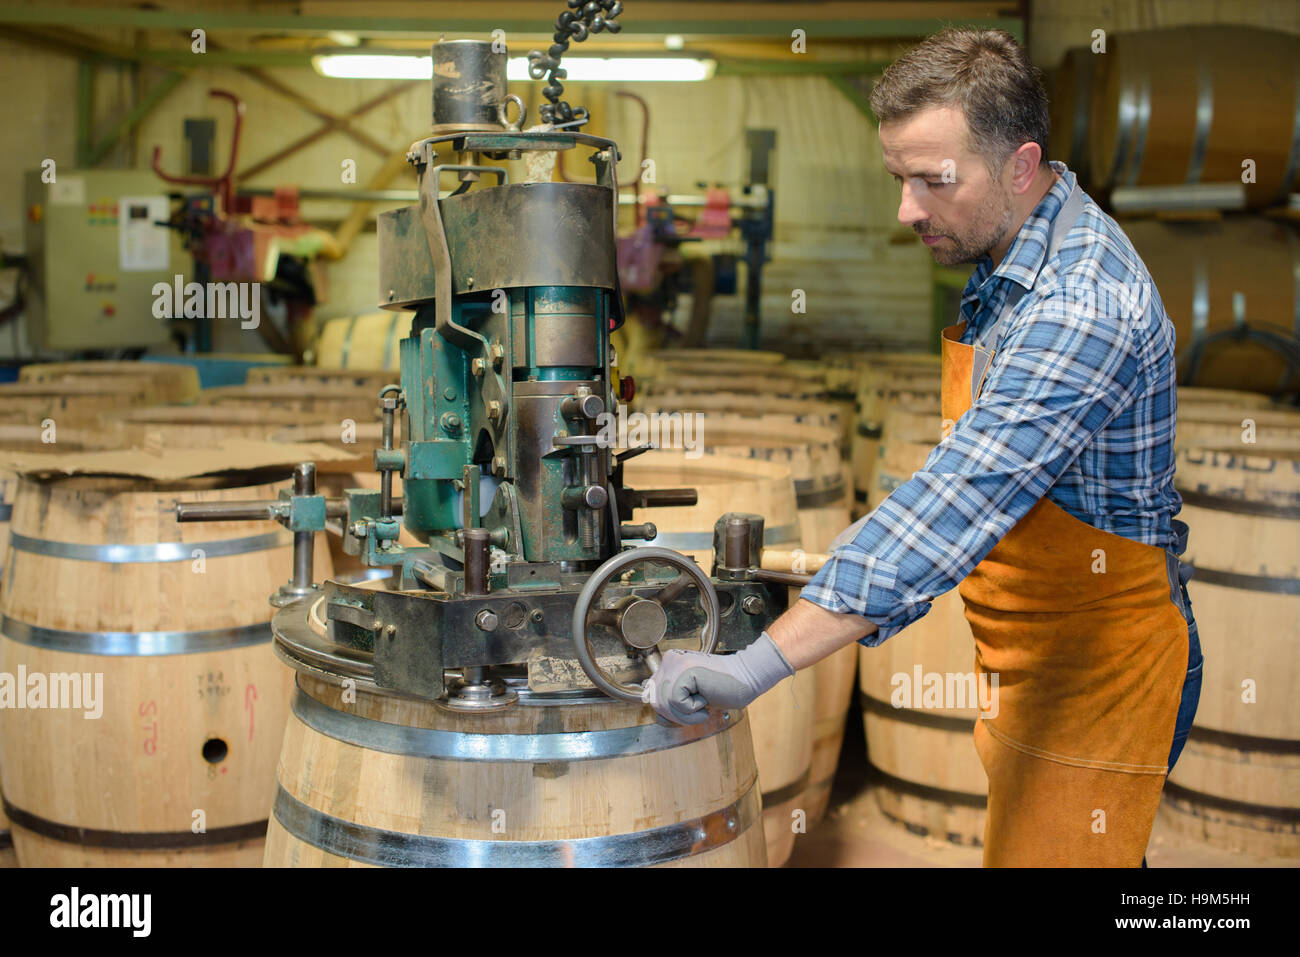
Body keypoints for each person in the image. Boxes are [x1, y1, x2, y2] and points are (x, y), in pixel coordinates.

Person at [641, 27, 1203, 868]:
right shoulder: (1016, 246)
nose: (906, 210)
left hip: (1104, 665)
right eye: (898, 178)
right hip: (1038, 655)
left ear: (1020, 164)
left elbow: (955, 505)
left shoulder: (1081, 304)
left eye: (933, 180)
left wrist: (756, 666)